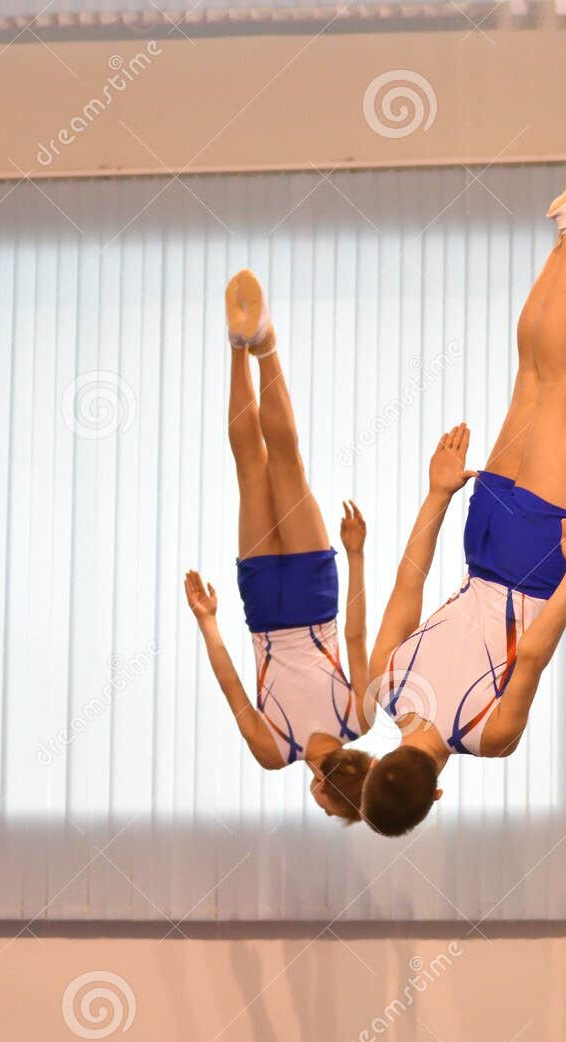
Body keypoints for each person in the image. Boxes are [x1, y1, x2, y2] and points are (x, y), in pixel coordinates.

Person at [359, 145, 566, 838]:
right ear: (383, 758)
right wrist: (440, 492)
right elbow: (409, 578)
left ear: (436, 797)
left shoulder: (489, 736)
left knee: (561, 385)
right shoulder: (382, 685)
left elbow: (532, 653)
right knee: (538, 378)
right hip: (481, 538)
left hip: (535, 561)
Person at [184, 270, 373, 823]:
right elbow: (232, 687)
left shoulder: (362, 718)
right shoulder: (274, 752)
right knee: (252, 469)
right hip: (267, 607)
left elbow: (358, 635)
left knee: (285, 463)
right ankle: (239, 349)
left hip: (315, 597)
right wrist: (209, 622)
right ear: (325, 793)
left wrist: (356, 556)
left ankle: (263, 345)